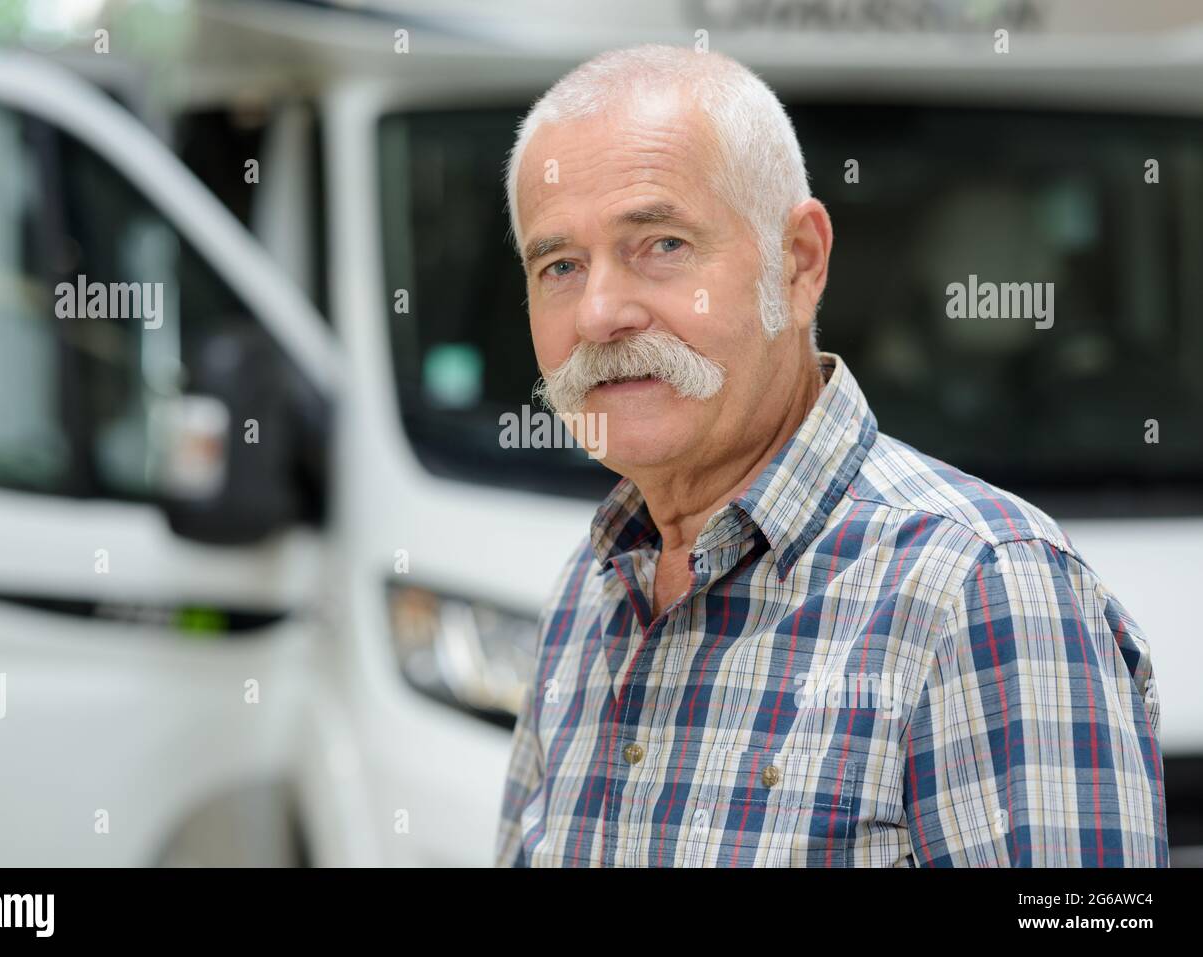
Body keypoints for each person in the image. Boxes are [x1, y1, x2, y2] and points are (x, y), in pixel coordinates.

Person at [494, 44, 1168, 867]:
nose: (599, 312)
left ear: (800, 263)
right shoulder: (589, 588)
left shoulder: (984, 588)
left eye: (661, 244)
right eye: (559, 264)